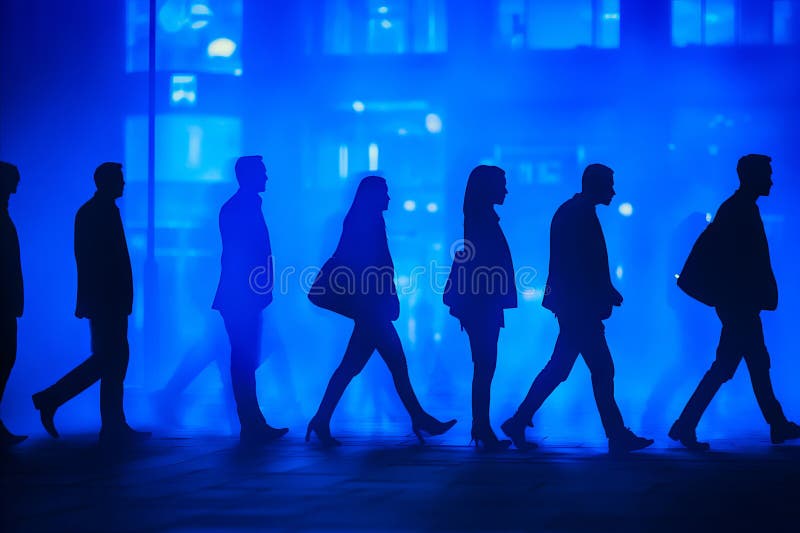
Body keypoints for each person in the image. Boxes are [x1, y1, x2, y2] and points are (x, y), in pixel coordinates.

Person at [501, 164, 653, 454]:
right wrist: (602, 291)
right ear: (596, 185)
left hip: (573, 305)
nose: (613, 190)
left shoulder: (572, 211)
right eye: (609, 184)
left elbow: (575, 262)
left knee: (561, 368)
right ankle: (616, 434)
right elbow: (583, 263)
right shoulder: (581, 214)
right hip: (580, 307)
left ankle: (520, 420)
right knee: (601, 368)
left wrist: (603, 290)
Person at [306, 175, 456, 446]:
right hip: (371, 310)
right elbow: (372, 268)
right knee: (392, 365)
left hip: (370, 310)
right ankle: (419, 417)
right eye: (385, 192)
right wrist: (386, 299)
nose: (389, 197)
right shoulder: (366, 222)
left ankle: (321, 419)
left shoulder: (367, 220)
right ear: (372, 195)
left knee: (353, 367)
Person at [669, 154, 800, 450]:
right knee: (736, 365)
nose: (771, 180)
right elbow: (741, 262)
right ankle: (686, 424)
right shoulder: (740, 210)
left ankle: (775, 424)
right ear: (751, 176)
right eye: (766, 174)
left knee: (748, 363)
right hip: (740, 303)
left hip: (738, 302)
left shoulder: (737, 208)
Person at [32, 162, 150, 444]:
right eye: (120, 179)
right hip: (107, 301)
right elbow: (95, 262)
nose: (124, 184)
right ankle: (60, 402)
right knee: (112, 360)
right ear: (106, 182)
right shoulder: (97, 213)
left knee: (110, 360)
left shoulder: (96, 212)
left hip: (106, 301)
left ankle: (109, 423)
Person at [212, 155, 288, 445]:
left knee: (245, 356)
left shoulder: (242, 206)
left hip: (242, 295)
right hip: (241, 296)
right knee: (244, 357)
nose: (267, 177)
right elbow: (244, 254)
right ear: (249, 175)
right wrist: (258, 287)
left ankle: (251, 420)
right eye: (263, 172)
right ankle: (250, 421)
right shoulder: (241, 208)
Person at [444, 165, 516, 450]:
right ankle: (481, 427)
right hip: (483, 304)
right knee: (485, 366)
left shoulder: (478, 219)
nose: (506, 190)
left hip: (481, 304)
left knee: (484, 366)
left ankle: (481, 426)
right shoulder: (483, 222)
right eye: (502, 184)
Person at [0, 162, 27, 446]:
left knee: (7, 356)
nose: (17, 187)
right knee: (5, 355)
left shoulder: (4, 215)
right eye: (14, 181)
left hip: (7, 302)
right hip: (4, 302)